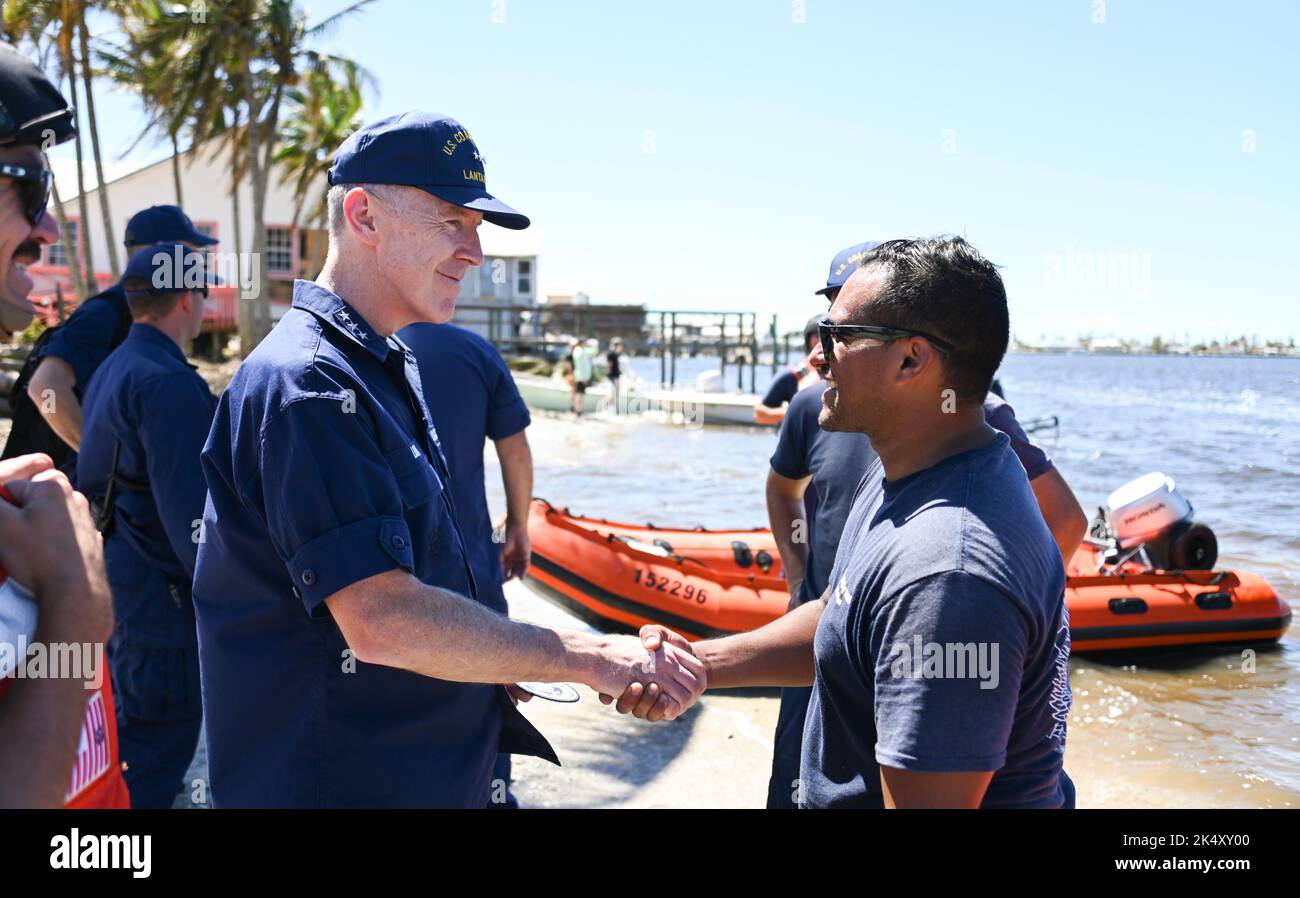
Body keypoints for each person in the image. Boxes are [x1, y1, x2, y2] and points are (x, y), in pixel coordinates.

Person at [192, 112, 705, 808]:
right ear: (364, 215)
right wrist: (584, 656)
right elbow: (380, 619)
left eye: (478, 228)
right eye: (451, 221)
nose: (475, 252)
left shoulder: (386, 363)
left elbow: (420, 578)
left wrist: (499, 652)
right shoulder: (307, 384)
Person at [619, 238, 1075, 809]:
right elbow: (848, 615)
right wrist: (698, 665)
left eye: (837, 335)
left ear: (912, 359)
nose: (817, 355)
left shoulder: (947, 573)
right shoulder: (911, 468)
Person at [0, 42, 128, 810]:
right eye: (33, 181)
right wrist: (79, 608)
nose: (48, 229)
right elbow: (49, 390)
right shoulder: (106, 319)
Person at [75, 243, 216, 808]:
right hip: (163, 610)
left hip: (118, 587)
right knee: (156, 756)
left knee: (127, 743)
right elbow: (196, 527)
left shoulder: (115, 366)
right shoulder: (169, 383)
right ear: (187, 299)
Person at [398, 319, 534, 807]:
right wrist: (518, 526)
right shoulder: (475, 352)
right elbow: (514, 449)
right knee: (484, 711)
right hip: (470, 567)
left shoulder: (363, 349)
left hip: (383, 572)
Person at [4, 205, 218, 472]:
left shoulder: (143, 315)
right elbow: (45, 388)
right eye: (190, 250)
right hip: (38, 488)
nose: (195, 259)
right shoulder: (105, 312)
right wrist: (101, 460)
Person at [753, 315, 822, 425]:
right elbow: (760, 414)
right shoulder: (794, 375)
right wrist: (797, 410)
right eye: (818, 334)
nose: (823, 339)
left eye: (829, 334)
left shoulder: (844, 374)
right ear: (808, 338)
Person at [570, 336, 594, 414]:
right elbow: (581, 366)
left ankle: (578, 409)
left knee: (581, 393)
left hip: (582, 376)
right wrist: (584, 377)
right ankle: (577, 410)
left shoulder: (580, 350)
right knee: (579, 393)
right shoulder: (579, 351)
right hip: (581, 376)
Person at [606, 336, 623, 412]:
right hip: (613, 376)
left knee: (616, 393)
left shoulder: (616, 354)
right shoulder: (611, 354)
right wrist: (610, 376)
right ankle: (608, 408)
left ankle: (611, 408)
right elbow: (609, 365)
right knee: (612, 393)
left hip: (616, 375)